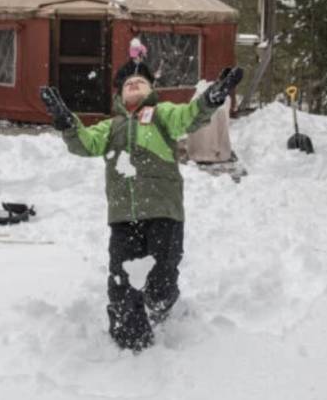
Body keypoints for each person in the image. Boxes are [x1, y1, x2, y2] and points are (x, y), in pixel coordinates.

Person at [41, 59, 243, 352]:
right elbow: (84, 144)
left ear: (151, 90)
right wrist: (67, 121)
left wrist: (212, 97)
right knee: (121, 283)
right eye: (127, 83)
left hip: (164, 213)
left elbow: (190, 116)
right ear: (119, 96)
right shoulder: (111, 127)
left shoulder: (162, 114)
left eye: (140, 81)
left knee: (160, 284)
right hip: (123, 217)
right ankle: (131, 343)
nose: (133, 83)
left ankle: (161, 305)